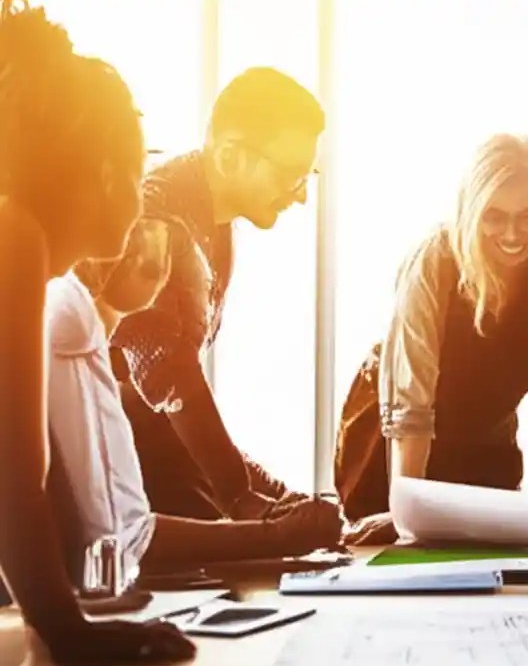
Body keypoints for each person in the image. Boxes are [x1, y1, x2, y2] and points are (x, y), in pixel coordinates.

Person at [0, 0, 193, 664]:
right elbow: (13, 476)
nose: (141, 202)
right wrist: (70, 631)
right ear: (110, 175)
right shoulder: (14, 236)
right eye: (140, 179)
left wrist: (66, 613)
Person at [337, 133, 528, 544]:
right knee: (402, 555)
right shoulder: (434, 260)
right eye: (494, 216)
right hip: (393, 451)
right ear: (469, 209)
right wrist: (408, 516)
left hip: (485, 443)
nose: (512, 234)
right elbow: (411, 407)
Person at [45, 221, 343, 585]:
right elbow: (128, 540)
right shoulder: (70, 324)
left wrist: (280, 506)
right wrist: (278, 535)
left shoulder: (83, 342)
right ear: (147, 270)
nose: (188, 342)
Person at [110, 66, 329, 523]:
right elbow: (170, 376)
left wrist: (279, 496)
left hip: (142, 445)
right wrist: (239, 496)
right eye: (291, 175)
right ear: (230, 157)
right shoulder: (156, 218)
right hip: (97, 463)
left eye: (306, 175)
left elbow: (178, 410)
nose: (301, 196)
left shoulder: (216, 219)